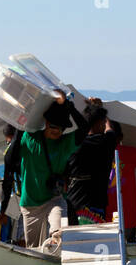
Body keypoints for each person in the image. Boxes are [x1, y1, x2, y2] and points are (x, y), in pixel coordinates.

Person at [17, 90, 88, 247]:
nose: (57, 130)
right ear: (46, 123)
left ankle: (55, 245)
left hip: (53, 199)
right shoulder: (30, 139)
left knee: (58, 232)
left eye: (61, 127)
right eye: (54, 126)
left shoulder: (65, 143)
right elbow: (22, 121)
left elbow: (84, 129)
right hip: (30, 205)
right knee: (33, 247)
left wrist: (69, 106)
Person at [64, 100, 122, 225]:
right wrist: (99, 109)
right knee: (94, 240)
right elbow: (109, 128)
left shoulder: (73, 144)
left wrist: (93, 111)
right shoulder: (107, 142)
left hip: (73, 202)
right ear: (100, 122)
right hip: (96, 205)